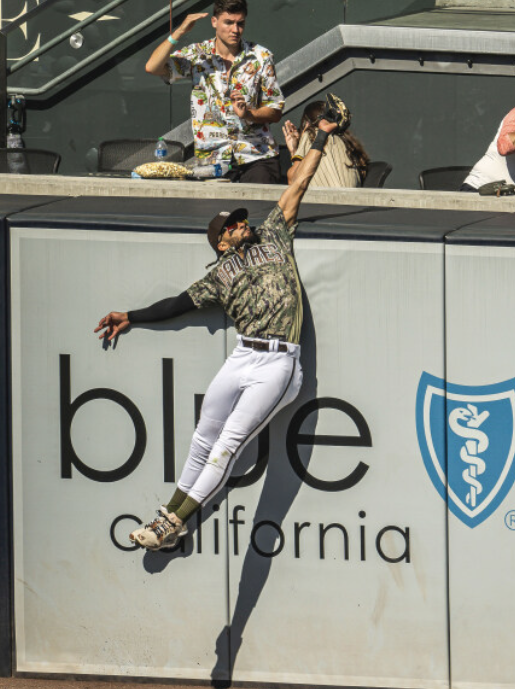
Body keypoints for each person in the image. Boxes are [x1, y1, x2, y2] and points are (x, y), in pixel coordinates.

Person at [94, 98, 351, 552]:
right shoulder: (218, 276)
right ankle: (169, 516)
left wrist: (322, 138)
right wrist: (130, 316)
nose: (241, 224)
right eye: (233, 225)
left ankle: (171, 522)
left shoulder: (273, 234)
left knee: (229, 444)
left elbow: (300, 184)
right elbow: (177, 304)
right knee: (203, 438)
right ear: (221, 242)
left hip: (278, 363)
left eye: (240, 220)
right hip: (244, 354)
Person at [144, 0, 284, 184]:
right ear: (214, 22)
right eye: (229, 22)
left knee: (257, 200)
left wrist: (248, 114)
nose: (235, 30)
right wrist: (179, 32)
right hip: (212, 160)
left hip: (256, 156)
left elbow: (275, 110)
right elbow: (152, 67)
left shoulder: (261, 57)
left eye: (240, 23)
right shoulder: (198, 54)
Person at [280, 99, 369, 187]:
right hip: (352, 195)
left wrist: (294, 151)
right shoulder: (345, 139)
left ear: (307, 123)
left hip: (327, 195)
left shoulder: (311, 134)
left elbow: (293, 181)